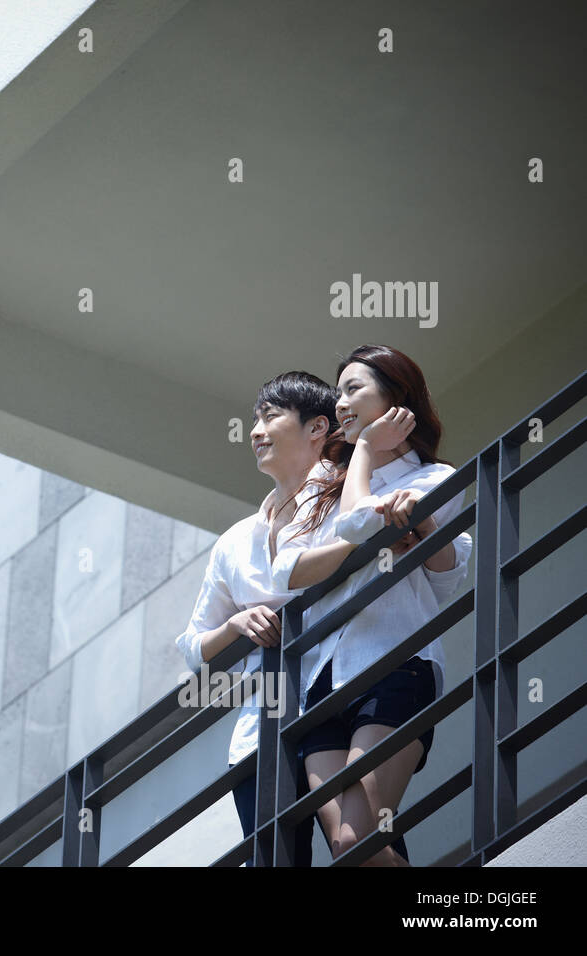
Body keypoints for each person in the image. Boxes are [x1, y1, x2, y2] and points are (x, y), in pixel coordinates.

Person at [274, 345, 473, 866]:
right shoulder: (321, 486)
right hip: (320, 685)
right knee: (360, 855)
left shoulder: (433, 478)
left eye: (353, 389)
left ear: (396, 397)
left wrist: (362, 454)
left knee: (352, 844)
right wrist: (364, 539)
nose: (340, 403)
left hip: (394, 667)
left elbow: (363, 524)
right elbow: (285, 570)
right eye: (338, 392)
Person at [175, 370, 370, 866]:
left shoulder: (349, 495)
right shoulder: (235, 541)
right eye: (253, 420)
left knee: (362, 846)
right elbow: (194, 646)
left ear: (317, 427)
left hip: (339, 697)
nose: (256, 431)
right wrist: (235, 627)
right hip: (261, 728)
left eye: (270, 417)